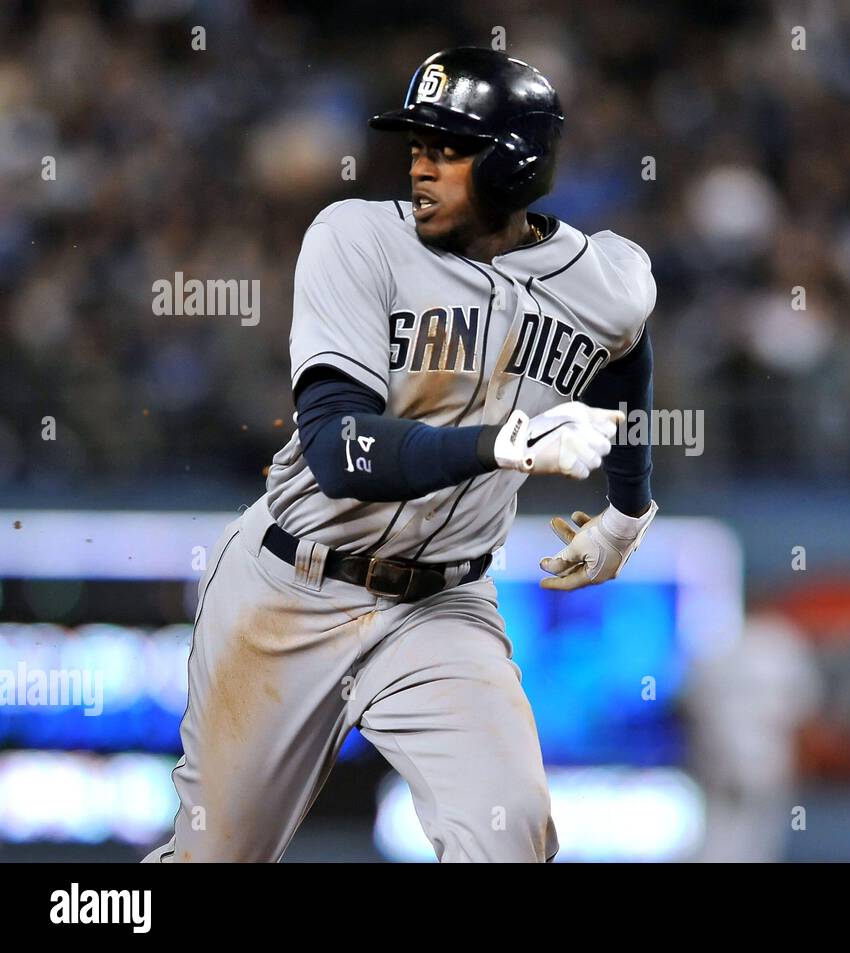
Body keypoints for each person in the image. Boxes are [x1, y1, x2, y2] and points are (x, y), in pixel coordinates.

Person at [144, 47, 658, 863]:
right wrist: (504, 445)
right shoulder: (356, 239)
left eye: (447, 148)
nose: (419, 163)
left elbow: (627, 348)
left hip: (441, 607)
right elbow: (338, 448)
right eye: (416, 142)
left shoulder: (605, 279)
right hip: (292, 585)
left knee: (510, 833)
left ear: (514, 162)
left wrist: (627, 511)